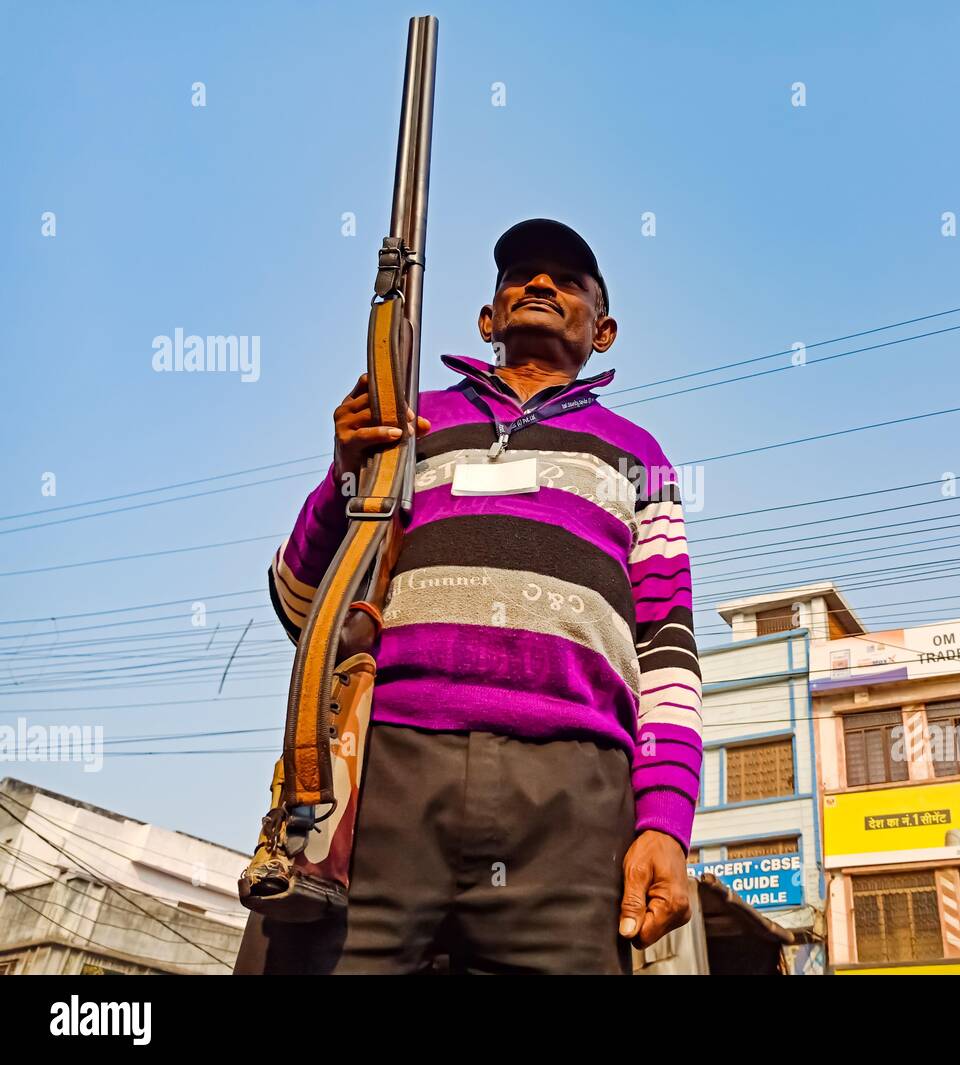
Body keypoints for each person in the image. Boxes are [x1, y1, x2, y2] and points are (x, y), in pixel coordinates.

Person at [246, 219, 701, 974]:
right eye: (520, 276)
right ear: (487, 320)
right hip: (384, 775)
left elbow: (667, 651)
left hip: (575, 799)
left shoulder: (640, 457)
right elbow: (302, 609)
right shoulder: (406, 422)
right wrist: (344, 477)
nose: (541, 285)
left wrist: (663, 824)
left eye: (567, 281)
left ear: (605, 329)